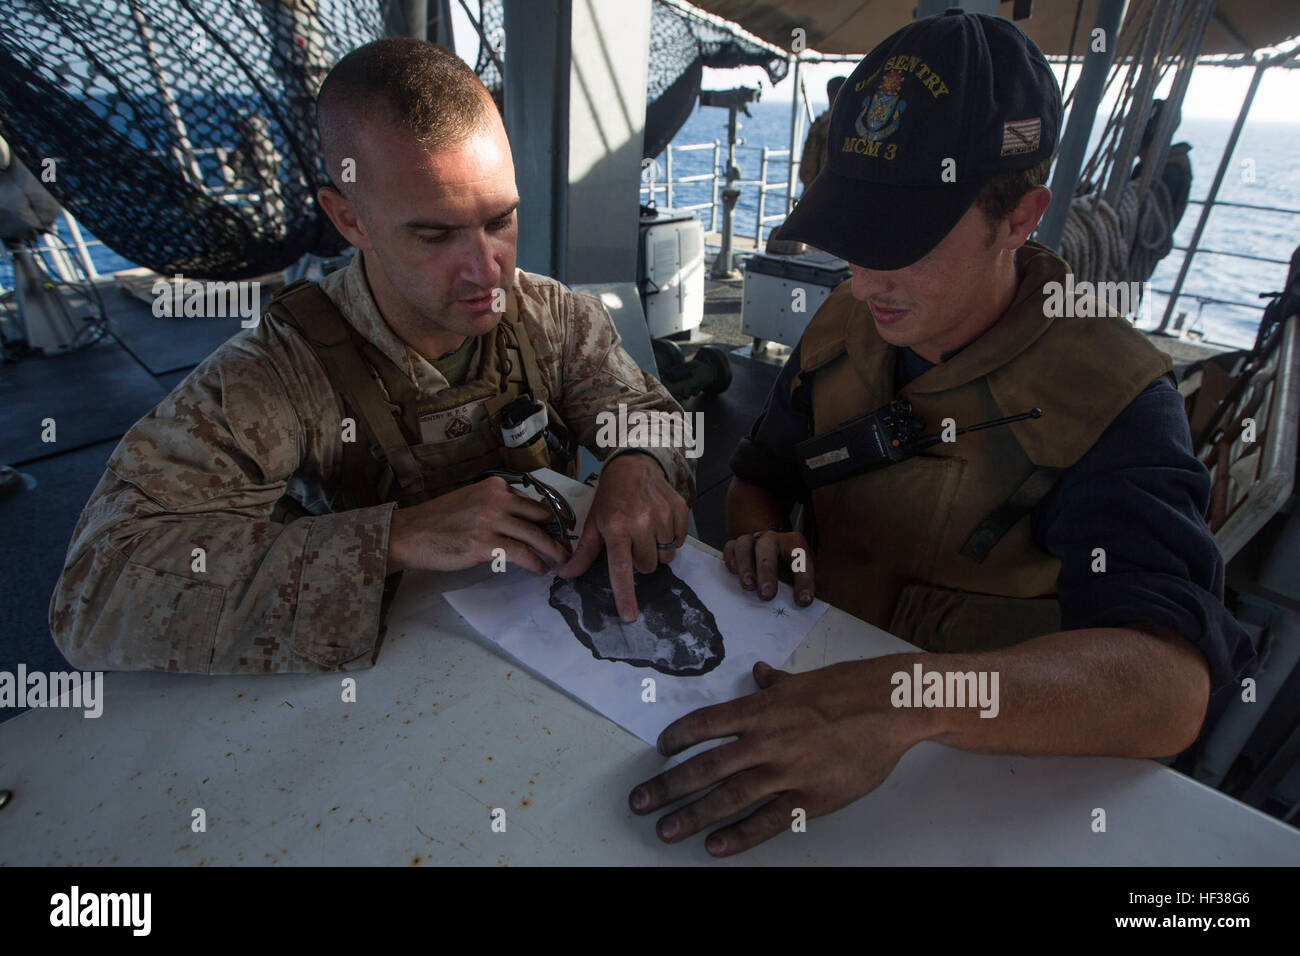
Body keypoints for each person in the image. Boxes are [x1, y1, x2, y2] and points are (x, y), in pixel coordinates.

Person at [628, 11, 1253, 857]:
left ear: (1021, 217)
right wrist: (759, 533)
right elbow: (762, 475)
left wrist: (898, 702)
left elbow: (1168, 686)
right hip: (804, 714)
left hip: (983, 789)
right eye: (853, 233)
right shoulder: (842, 330)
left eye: (904, 243)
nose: (863, 278)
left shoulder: (1112, 398)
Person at [49, 38, 694, 674]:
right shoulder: (277, 374)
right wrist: (393, 539)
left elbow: (653, 416)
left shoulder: (551, 318)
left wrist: (637, 462)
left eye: (500, 220)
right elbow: (96, 594)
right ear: (349, 218)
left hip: (543, 660)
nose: (486, 269)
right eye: (435, 234)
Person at [798, 76, 847, 190]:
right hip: (829, 192)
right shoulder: (843, 125)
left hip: (812, 192)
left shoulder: (818, 124)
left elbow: (806, 170)